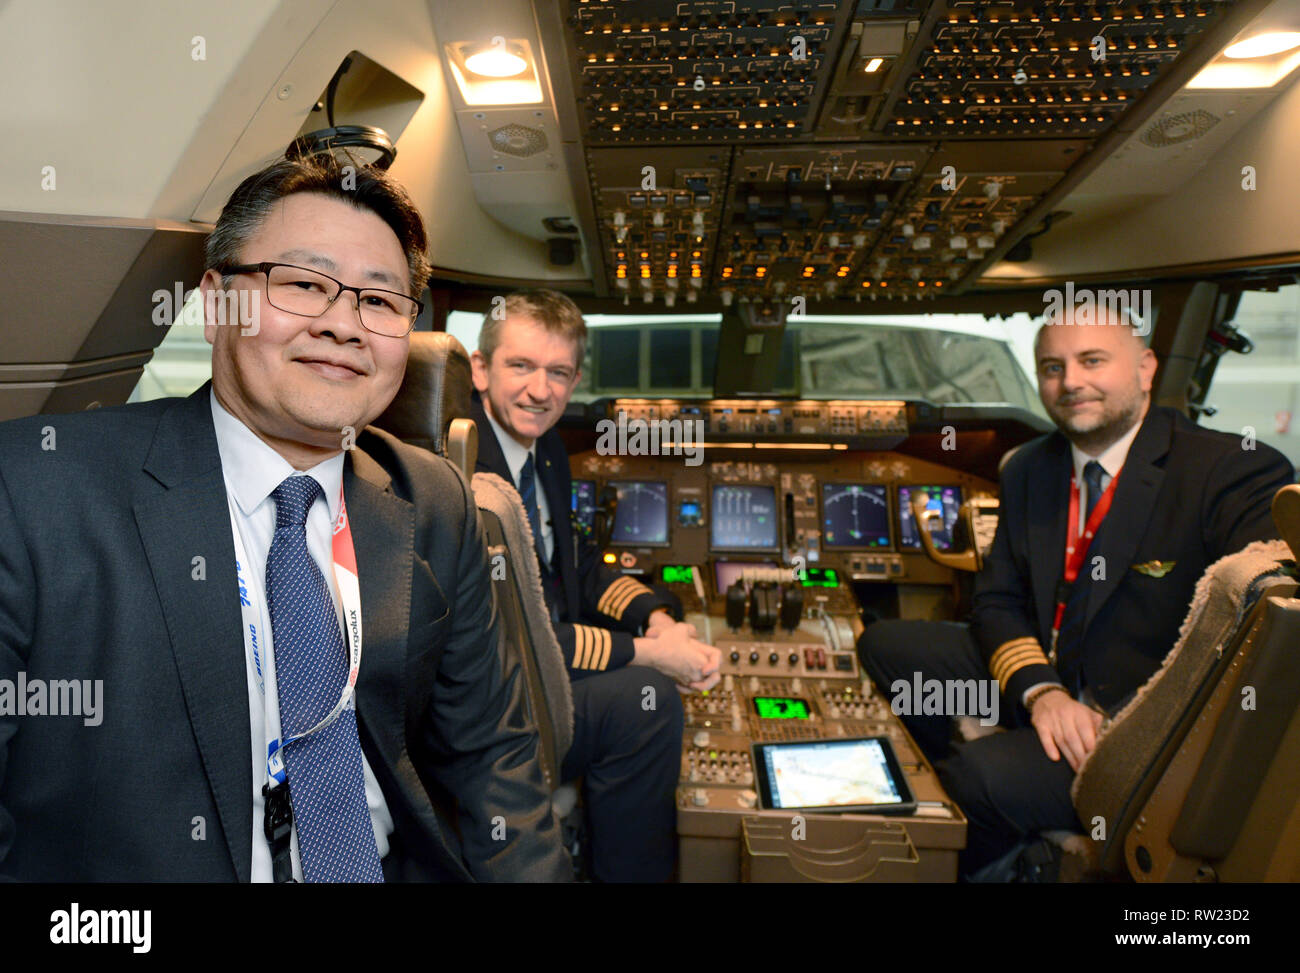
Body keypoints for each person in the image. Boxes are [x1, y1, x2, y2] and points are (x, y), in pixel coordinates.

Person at [0, 156, 569, 882]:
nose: (343, 325)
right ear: (217, 302)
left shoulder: (433, 499)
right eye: (303, 284)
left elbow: (496, 762)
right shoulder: (34, 492)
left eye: (380, 302)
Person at [858, 306, 1293, 879]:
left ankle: (995, 850)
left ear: (1145, 367)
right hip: (1055, 672)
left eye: (1092, 361)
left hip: (1132, 719)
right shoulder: (1028, 469)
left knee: (975, 779)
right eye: (1052, 368)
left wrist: (1097, 715)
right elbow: (998, 602)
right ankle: (1009, 752)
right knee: (885, 649)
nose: (1070, 383)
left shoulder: (1227, 471)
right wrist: (1042, 694)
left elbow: (1264, 622)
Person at [469, 290, 721, 882]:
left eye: (558, 373)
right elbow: (513, 634)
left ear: (575, 379)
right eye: (521, 366)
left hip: (548, 665)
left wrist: (654, 619)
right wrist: (657, 656)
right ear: (481, 369)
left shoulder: (545, 450)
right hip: (502, 705)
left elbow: (579, 565)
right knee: (646, 703)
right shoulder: (465, 473)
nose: (540, 390)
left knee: (657, 638)